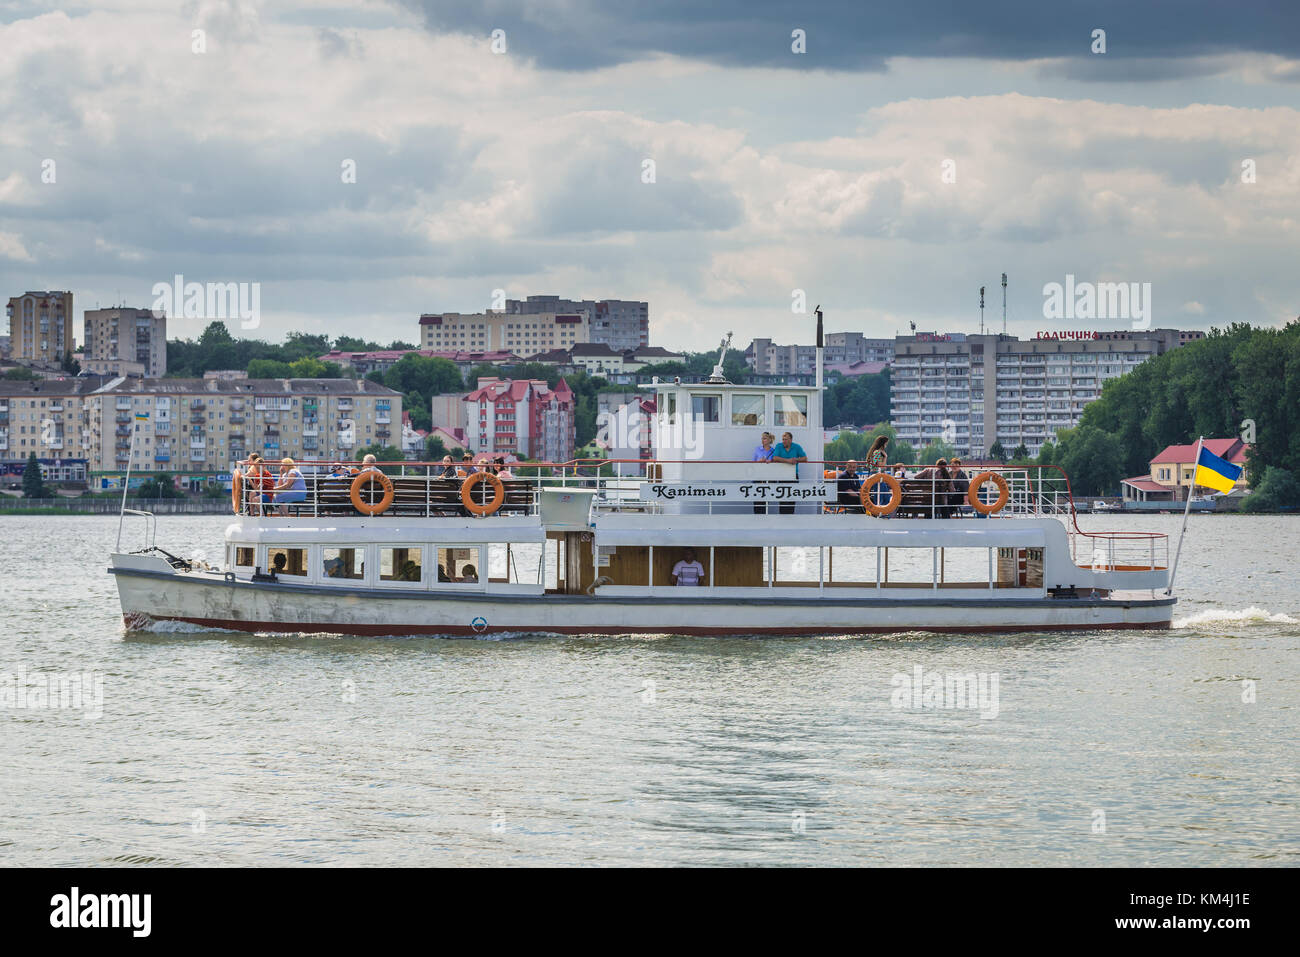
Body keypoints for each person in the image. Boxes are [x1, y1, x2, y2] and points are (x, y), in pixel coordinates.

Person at [770, 431, 808, 514]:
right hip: (781, 476)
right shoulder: (779, 446)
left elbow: (805, 458)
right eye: (783, 439)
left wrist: (796, 459)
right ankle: (782, 518)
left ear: (791, 440)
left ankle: (791, 518)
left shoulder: (796, 447)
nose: (784, 441)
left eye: (786, 439)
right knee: (782, 499)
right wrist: (788, 460)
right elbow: (775, 458)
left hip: (793, 476)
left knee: (792, 499)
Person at [751, 431, 775, 514]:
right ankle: (757, 518)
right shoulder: (757, 449)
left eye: (764, 438)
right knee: (757, 500)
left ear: (769, 440)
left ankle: (765, 518)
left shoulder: (773, 451)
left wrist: (770, 461)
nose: (762, 440)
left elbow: (776, 463)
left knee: (766, 500)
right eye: (762, 438)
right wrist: (760, 461)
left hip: (768, 478)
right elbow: (753, 463)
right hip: (758, 477)